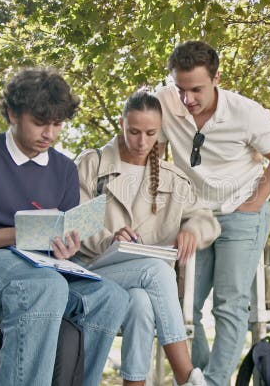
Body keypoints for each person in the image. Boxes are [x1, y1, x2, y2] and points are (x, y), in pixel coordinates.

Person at [0, 68, 130, 385]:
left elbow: (62, 234)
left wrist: (67, 249)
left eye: (57, 124)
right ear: (12, 113)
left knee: (111, 296)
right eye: (40, 123)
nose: (50, 134)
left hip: (41, 267)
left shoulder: (64, 169)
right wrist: (22, 234)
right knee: (45, 286)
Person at [156, 40, 270, 384]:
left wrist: (254, 204)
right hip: (195, 218)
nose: (188, 99)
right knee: (183, 304)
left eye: (196, 89)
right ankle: (201, 378)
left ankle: (214, 382)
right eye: (180, 88)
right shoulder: (164, 103)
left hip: (241, 212)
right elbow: (154, 157)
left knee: (229, 304)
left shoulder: (248, 114)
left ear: (217, 77)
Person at [74, 90, 220, 386]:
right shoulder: (91, 164)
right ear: (121, 123)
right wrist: (109, 238)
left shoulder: (173, 178)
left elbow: (206, 220)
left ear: (161, 130)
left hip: (140, 283)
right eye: (134, 131)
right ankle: (186, 374)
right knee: (155, 269)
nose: (142, 142)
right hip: (91, 274)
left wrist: (192, 229)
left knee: (141, 302)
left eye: (151, 133)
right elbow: (74, 223)